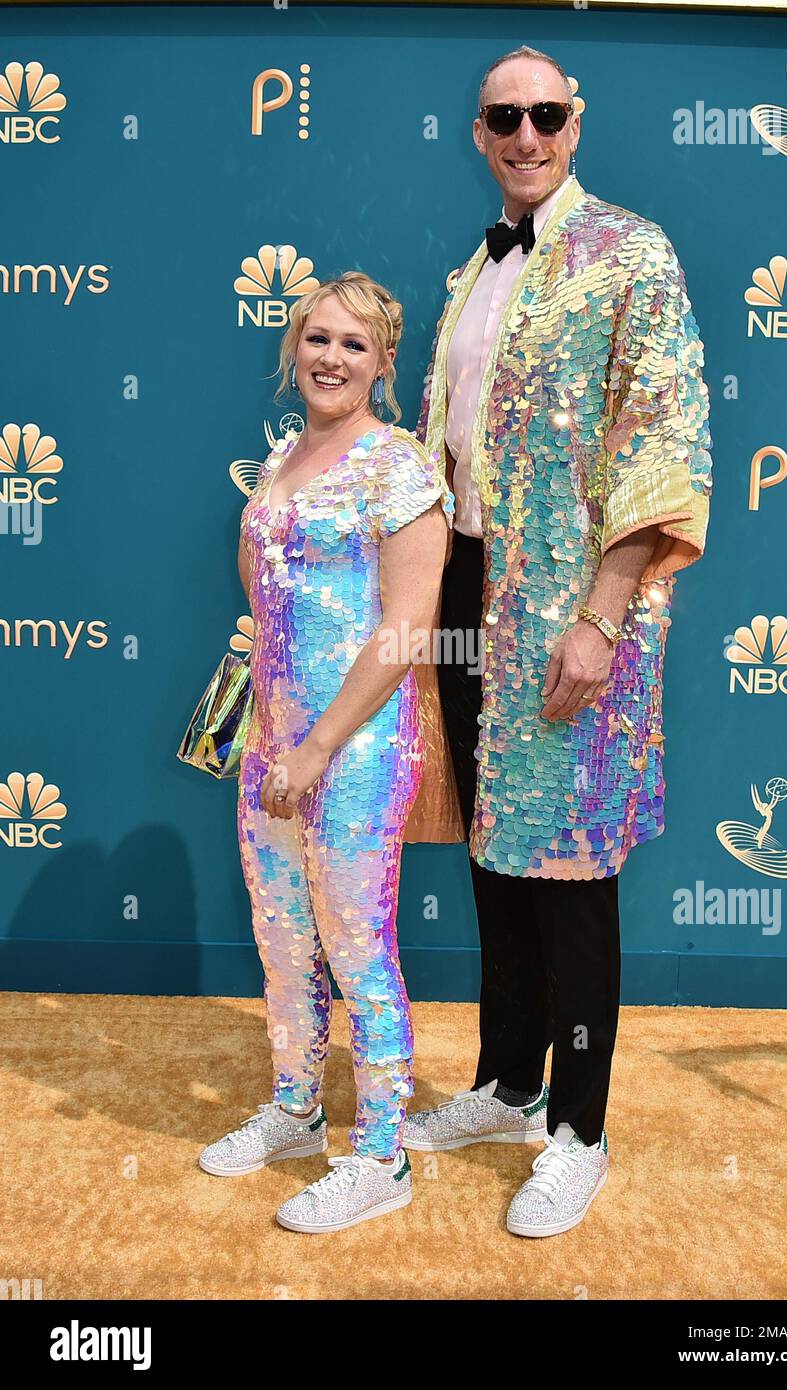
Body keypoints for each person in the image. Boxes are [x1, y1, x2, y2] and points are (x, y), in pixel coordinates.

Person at [404, 46, 712, 1238]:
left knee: (570, 868)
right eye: (502, 116)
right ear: (477, 132)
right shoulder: (464, 275)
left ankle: (576, 1127)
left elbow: (662, 439)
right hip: (471, 595)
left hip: (576, 606)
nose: (524, 133)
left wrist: (603, 610)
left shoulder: (632, 254)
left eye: (543, 114)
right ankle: (505, 1082)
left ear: (573, 126)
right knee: (495, 851)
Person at [199, 271, 454, 1234]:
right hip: (272, 746)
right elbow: (260, 594)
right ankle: (297, 1111)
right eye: (316, 338)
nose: (330, 358)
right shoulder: (282, 456)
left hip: (351, 752)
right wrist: (270, 730)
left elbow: (404, 629)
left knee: (357, 949)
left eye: (353, 344)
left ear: (385, 362)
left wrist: (316, 746)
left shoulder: (396, 467)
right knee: (282, 940)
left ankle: (381, 1154)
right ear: (291, 349)